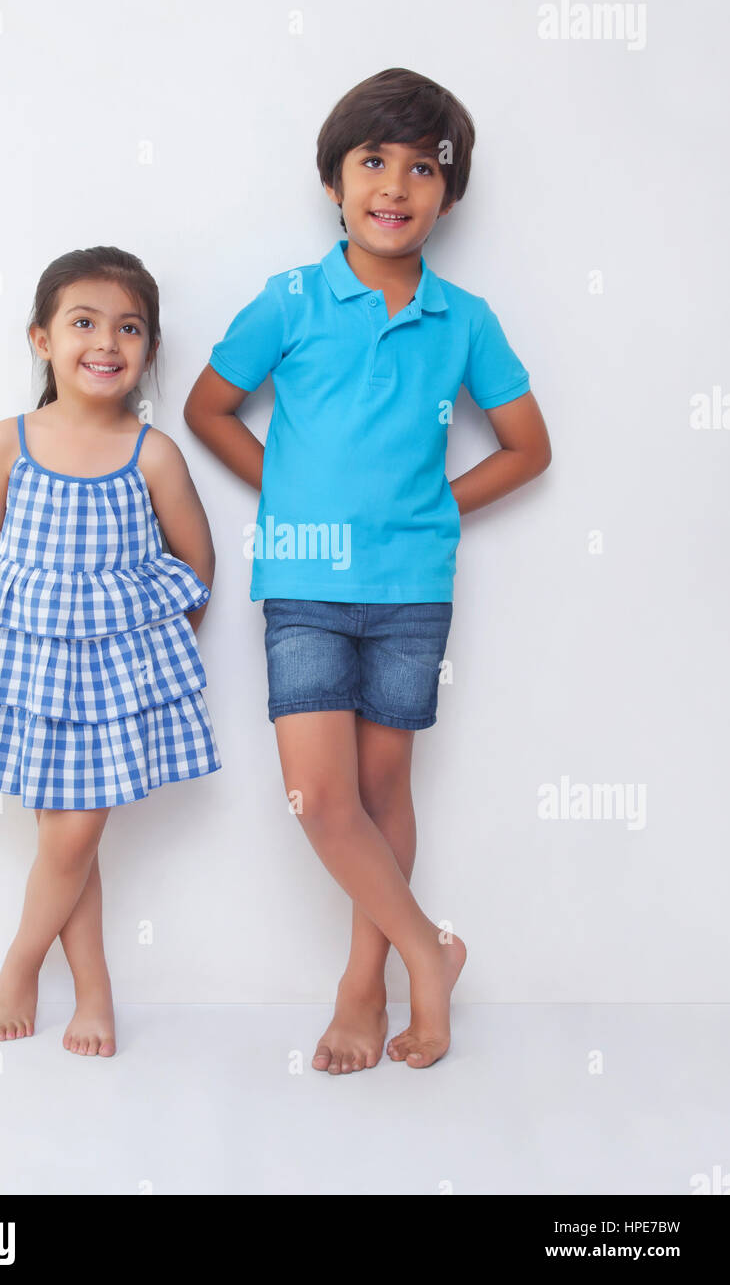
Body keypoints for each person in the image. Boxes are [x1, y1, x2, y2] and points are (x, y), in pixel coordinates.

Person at [184, 67, 551, 1073]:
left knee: (385, 786)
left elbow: (526, 446)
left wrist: (437, 506)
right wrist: (289, 496)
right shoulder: (291, 299)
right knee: (318, 795)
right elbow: (207, 406)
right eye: (372, 161)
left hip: (411, 592)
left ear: (448, 188)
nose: (395, 184)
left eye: (422, 167)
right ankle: (429, 952)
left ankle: (362, 986)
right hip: (302, 581)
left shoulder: (462, 318)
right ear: (334, 180)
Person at [0, 245, 220, 1056]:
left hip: (114, 688)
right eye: (84, 323)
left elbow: (196, 567)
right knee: (73, 842)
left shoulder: (152, 453)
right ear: (42, 339)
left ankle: (18, 966)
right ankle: (94, 995)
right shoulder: (10, 440)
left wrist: (140, 662)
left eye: (129, 328)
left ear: (150, 351)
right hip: (32, 678)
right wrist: (37, 629)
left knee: (70, 838)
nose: (106, 342)